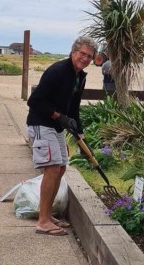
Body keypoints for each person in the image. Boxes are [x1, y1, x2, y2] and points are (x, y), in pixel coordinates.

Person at [25, 34, 97, 235]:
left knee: (61, 168)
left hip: (56, 126)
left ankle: (47, 215)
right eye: (82, 53)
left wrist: (81, 137)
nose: (85, 58)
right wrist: (58, 116)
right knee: (52, 169)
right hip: (41, 123)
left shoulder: (79, 76)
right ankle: (43, 221)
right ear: (73, 52)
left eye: (89, 56)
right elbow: (34, 101)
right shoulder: (57, 71)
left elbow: (73, 109)